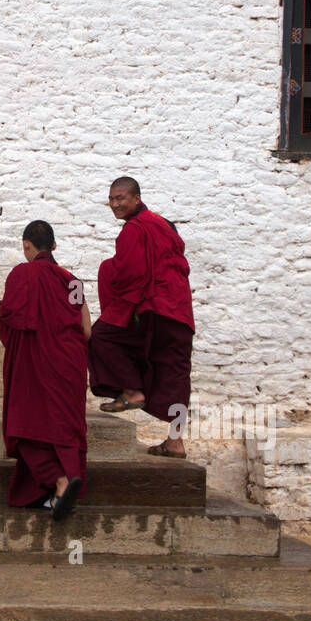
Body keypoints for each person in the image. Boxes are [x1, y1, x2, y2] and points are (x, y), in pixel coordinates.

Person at [88, 177, 195, 458]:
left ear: (137, 198)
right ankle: (175, 441)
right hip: (180, 311)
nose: (114, 204)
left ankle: (133, 390)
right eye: (111, 199)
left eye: (120, 198)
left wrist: (122, 309)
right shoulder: (161, 224)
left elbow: (132, 274)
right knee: (177, 375)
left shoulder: (135, 229)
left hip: (153, 307)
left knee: (102, 336)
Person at [0, 219, 92, 520]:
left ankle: (60, 481)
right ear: (53, 246)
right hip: (69, 366)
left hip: (34, 364)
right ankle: (54, 489)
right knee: (64, 426)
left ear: (27, 245)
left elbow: (9, 321)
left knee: (27, 423)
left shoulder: (20, 274)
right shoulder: (73, 281)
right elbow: (86, 330)